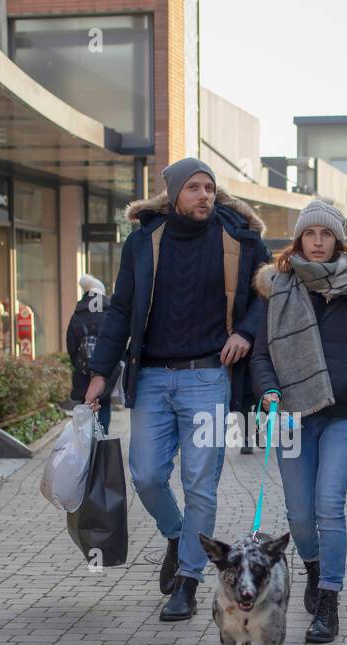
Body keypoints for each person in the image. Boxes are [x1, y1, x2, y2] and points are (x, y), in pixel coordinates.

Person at [84, 157, 270, 621]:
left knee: (200, 485)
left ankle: (188, 579)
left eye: (209, 187)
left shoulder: (240, 238)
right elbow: (122, 310)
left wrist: (244, 332)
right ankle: (176, 533)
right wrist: (99, 372)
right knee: (145, 474)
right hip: (150, 376)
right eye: (194, 188)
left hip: (208, 377)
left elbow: (268, 293)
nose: (205, 195)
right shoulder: (144, 241)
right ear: (172, 194)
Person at [252, 200, 347, 643]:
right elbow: (262, 354)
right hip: (293, 416)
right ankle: (313, 568)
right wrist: (268, 390)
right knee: (299, 517)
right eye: (309, 234)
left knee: (328, 506)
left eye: (326, 235)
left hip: (341, 415)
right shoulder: (278, 288)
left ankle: (329, 602)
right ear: (298, 239)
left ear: (338, 241)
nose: (317, 242)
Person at [66, 275, 118, 432]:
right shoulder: (111, 313)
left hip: (83, 371)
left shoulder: (78, 315)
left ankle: (86, 443)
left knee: (86, 403)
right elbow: (117, 341)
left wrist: (79, 363)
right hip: (106, 370)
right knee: (104, 403)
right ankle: (101, 440)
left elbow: (71, 345)